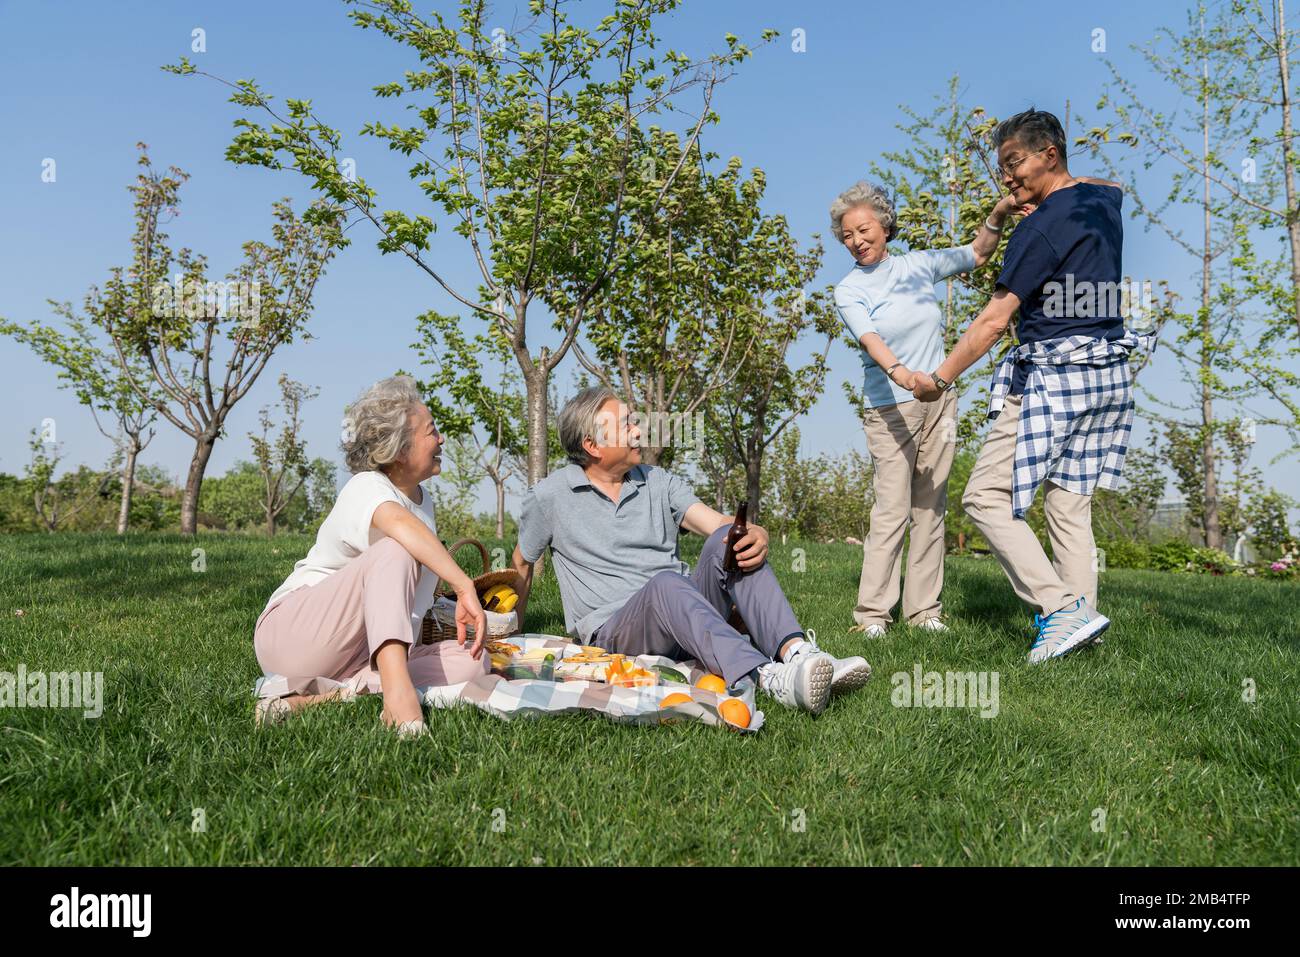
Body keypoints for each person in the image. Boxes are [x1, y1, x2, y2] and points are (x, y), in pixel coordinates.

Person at [911, 108, 1149, 662]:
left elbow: (994, 322)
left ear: (1049, 153)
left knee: (985, 496)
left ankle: (1058, 609)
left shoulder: (1039, 229)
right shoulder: (1100, 203)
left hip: (1056, 373)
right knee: (1068, 504)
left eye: (1015, 162)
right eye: (1002, 169)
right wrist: (1013, 202)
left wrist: (940, 379)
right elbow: (1108, 183)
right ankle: (1081, 627)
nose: (1008, 177)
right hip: (1109, 371)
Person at [509, 387, 872, 715]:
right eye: (626, 425)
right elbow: (522, 563)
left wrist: (754, 531)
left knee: (729, 537)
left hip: (685, 610)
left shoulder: (658, 481)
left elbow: (715, 524)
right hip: (617, 632)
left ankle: (798, 653)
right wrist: (511, 637)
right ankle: (767, 676)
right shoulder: (549, 497)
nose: (639, 431)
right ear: (592, 445)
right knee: (666, 584)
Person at [831, 180, 1021, 638]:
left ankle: (924, 612)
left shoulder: (919, 266)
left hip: (940, 401)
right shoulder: (849, 289)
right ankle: (872, 615)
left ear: (884, 225)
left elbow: (977, 254)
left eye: (863, 229)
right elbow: (870, 339)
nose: (856, 241)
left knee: (930, 508)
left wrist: (998, 215)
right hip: (890, 408)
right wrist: (902, 375)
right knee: (892, 510)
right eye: (847, 236)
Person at [253, 375, 490, 735]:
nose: (441, 439)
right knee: (396, 547)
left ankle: (324, 697)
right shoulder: (366, 486)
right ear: (398, 449)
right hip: (295, 637)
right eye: (431, 431)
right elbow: (400, 528)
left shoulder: (425, 501)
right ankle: (398, 700)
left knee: (473, 663)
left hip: (358, 655)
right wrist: (463, 585)